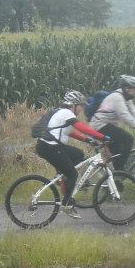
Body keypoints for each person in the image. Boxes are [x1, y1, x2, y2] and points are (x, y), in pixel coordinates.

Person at [33, 90, 107, 219]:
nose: (82, 109)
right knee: (73, 173)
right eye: (81, 106)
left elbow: (70, 132)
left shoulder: (62, 113)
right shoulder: (66, 112)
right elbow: (81, 128)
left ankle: (62, 176)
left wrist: (88, 140)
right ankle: (67, 204)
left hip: (49, 146)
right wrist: (102, 137)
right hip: (50, 147)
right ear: (73, 104)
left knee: (78, 154)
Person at [87, 75, 135, 171]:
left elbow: (134, 113)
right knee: (128, 139)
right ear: (127, 88)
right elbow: (124, 115)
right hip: (99, 125)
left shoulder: (126, 98)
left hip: (105, 125)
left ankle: (116, 178)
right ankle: (120, 171)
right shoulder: (117, 97)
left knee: (118, 150)